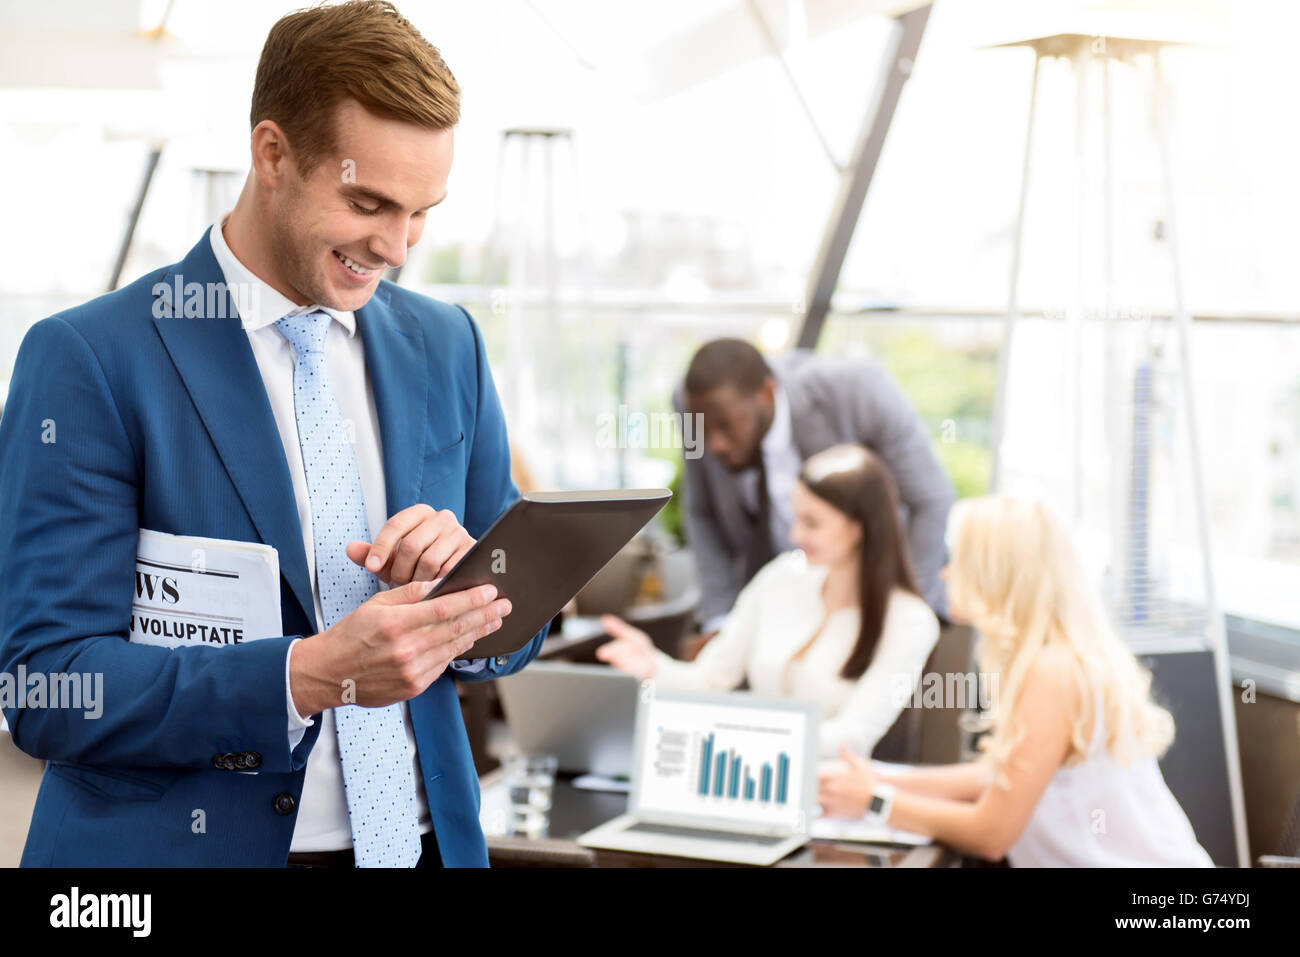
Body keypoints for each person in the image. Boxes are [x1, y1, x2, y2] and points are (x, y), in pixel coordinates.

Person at [0, 0, 545, 868]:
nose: (397, 246)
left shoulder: (449, 344)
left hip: (420, 846)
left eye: (422, 211)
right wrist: (307, 676)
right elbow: (48, 687)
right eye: (368, 201)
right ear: (271, 154)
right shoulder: (90, 359)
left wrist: (471, 592)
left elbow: (519, 624)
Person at [817, 495, 1214, 867]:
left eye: (958, 560)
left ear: (995, 575)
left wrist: (874, 800)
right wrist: (882, 778)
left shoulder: (1051, 672)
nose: (945, 572)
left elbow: (992, 834)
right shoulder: (1056, 656)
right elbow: (1001, 776)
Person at [597, 444, 940, 760]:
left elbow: (853, 738)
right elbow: (711, 679)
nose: (795, 536)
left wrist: (740, 734)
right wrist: (653, 667)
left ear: (860, 527)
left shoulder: (910, 621)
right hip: (742, 772)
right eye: (796, 519)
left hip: (825, 794)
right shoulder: (781, 577)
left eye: (813, 523)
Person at [675, 339, 955, 645]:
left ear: (768, 394)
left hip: (874, 594)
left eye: (726, 426)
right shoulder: (691, 403)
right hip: (778, 614)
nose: (714, 444)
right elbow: (703, 512)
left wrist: (897, 615)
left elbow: (930, 499)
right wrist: (720, 621)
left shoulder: (857, 390)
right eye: (703, 429)